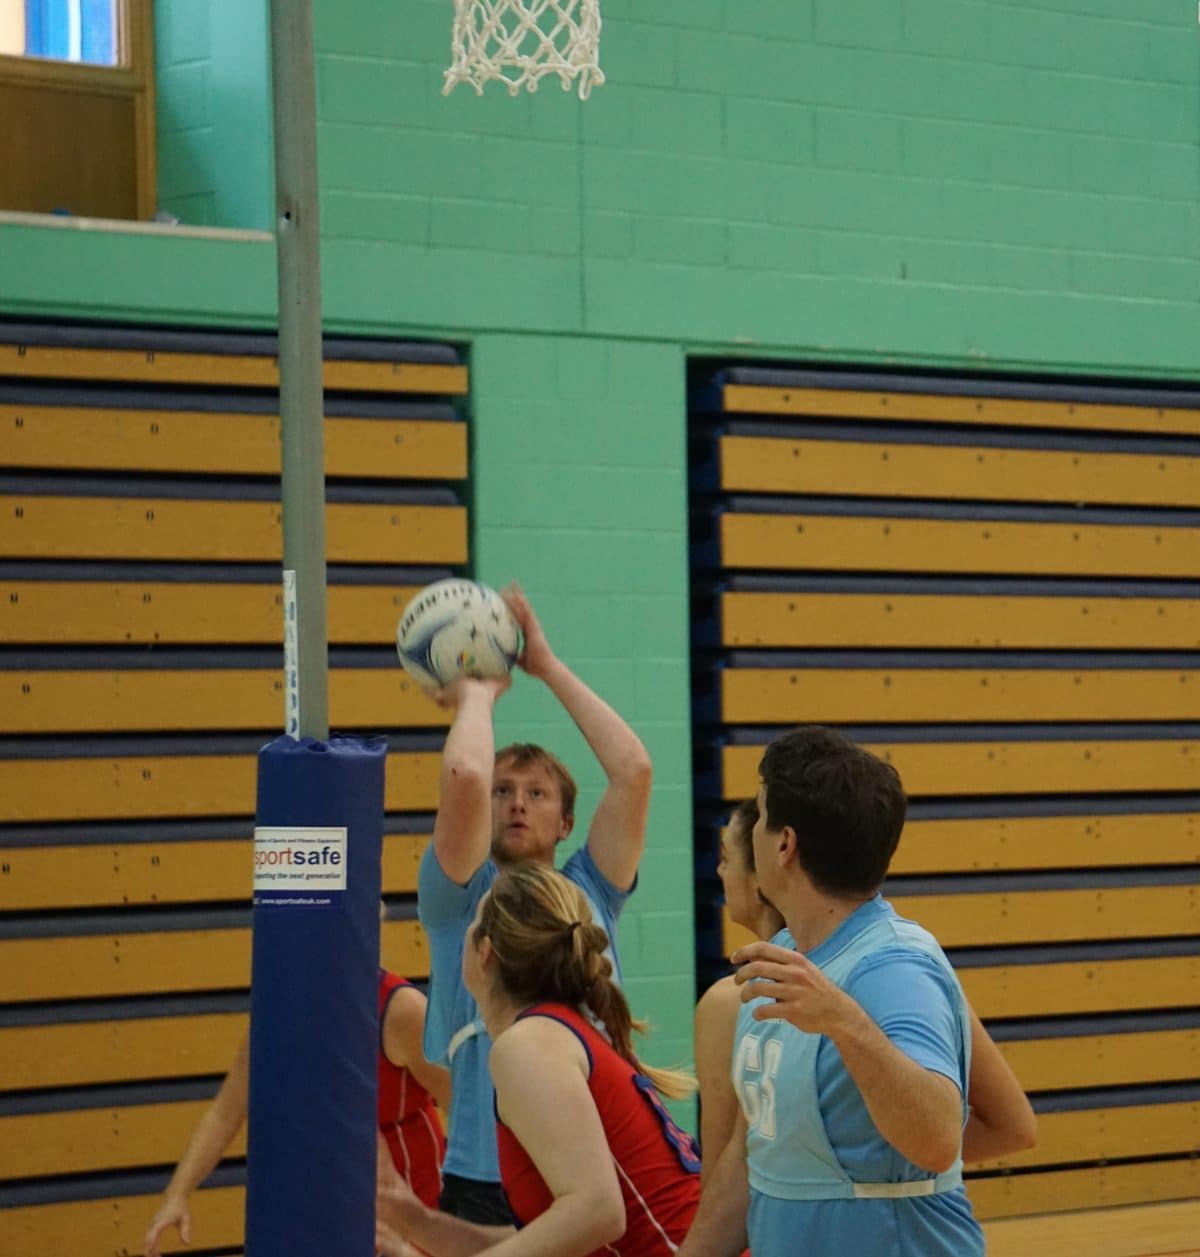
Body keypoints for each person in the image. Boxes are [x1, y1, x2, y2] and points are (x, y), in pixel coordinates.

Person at [679, 727, 1006, 1257]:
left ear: (784, 845)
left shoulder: (894, 966)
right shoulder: (784, 958)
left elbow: (940, 1137)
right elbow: (749, 1161)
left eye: (761, 817)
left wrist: (845, 1021)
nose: (753, 832)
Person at [418, 584, 652, 1224]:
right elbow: (465, 775)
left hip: (595, 1165)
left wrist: (546, 667)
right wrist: (476, 695)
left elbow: (633, 769)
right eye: (505, 791)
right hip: (486, 1179)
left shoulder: (591, 888)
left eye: (537, 793)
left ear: (568, 821)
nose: (517, 802)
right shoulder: (459, 898)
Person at [694, 797, 1036, 1183]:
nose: (719, 870)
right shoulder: (898, 969)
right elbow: (1013, 1127)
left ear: (770, 867)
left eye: (726, 857)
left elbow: (719, 1178)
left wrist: (866, 1165)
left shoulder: (730, 1002)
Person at [377, 862, 700, 1257]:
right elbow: (538, 1240)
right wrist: (416, 1222)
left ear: (484, 952)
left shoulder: (527, 1046)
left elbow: (599, 1212)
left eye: (472, 921)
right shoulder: (550, 1034)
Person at [142, 970, 449, 1257]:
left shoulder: (401, 1010)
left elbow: (467, 1118)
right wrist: (177, 1194)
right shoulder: (281, 1006)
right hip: (331, 1213)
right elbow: (227, 1110)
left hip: (413, 1216)